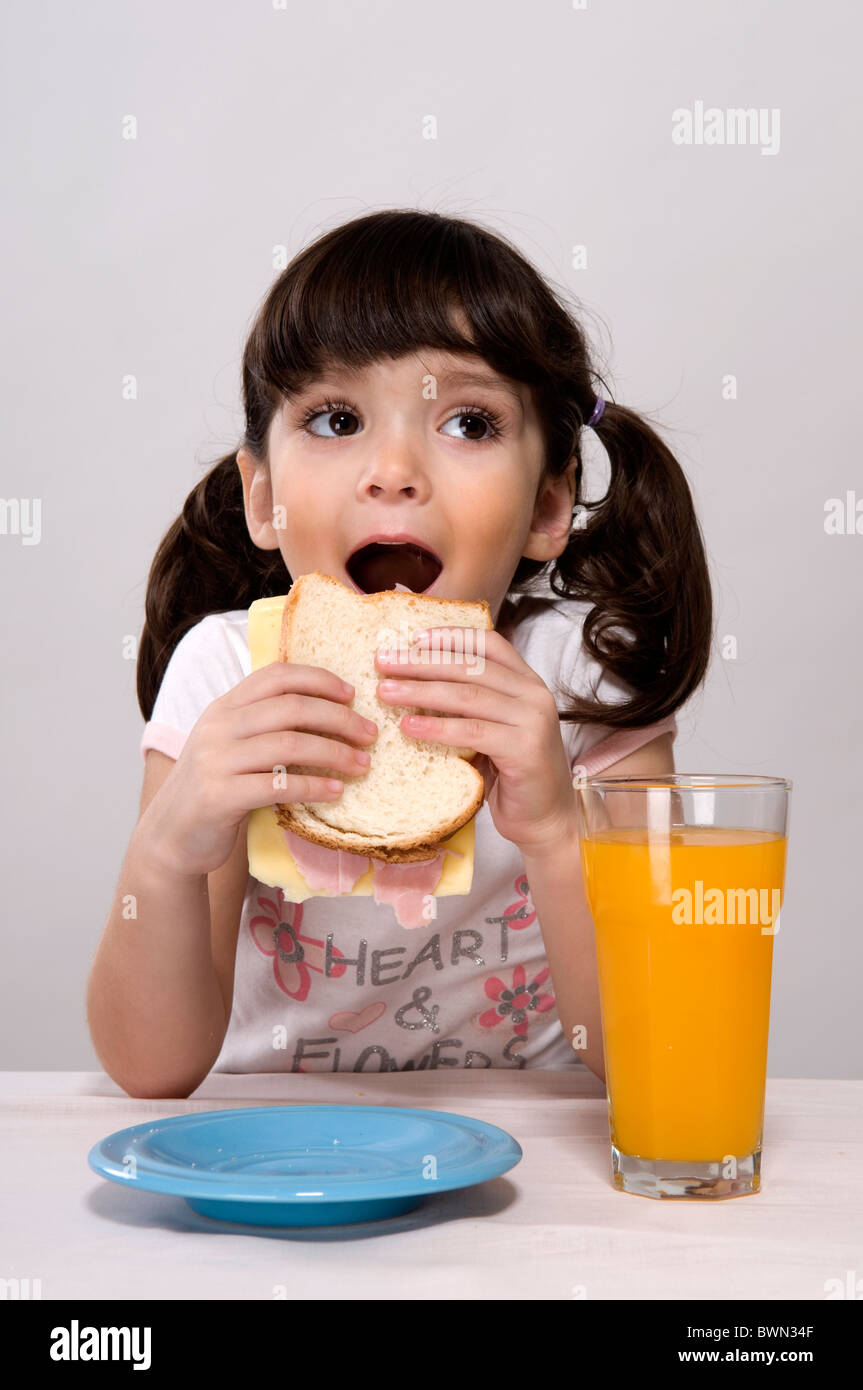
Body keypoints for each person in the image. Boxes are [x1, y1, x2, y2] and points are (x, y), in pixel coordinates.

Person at [86, 208, 712, 1096]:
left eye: (467, 423)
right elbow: (150, 1068)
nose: (392, 468)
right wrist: (168, 851)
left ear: (547, 504)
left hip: (530, 1158)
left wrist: (554, 834)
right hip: (283, 1150)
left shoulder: (585, 686)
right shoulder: (225, 678)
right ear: (264, 499)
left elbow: (664, 1051)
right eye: (336, 419)